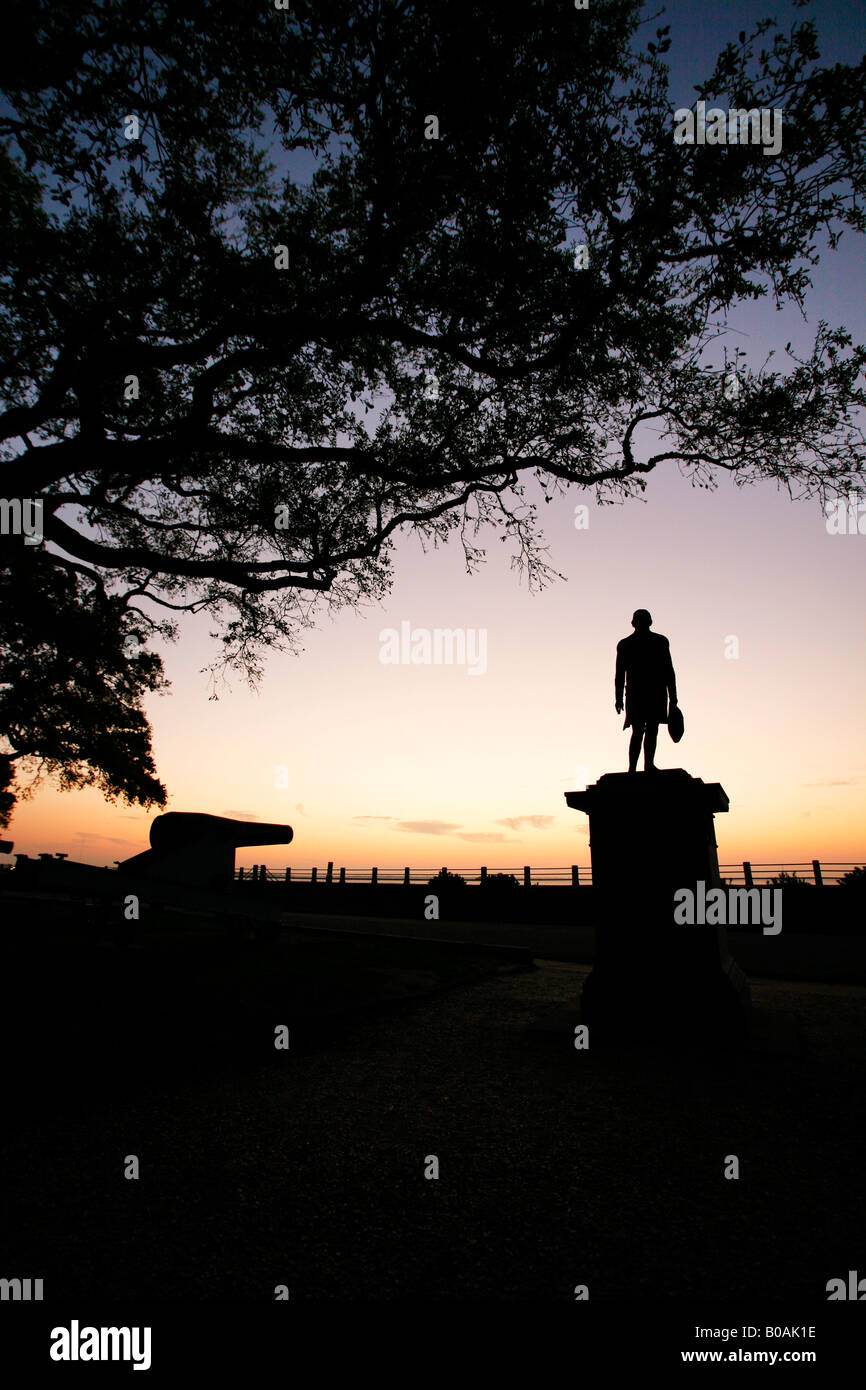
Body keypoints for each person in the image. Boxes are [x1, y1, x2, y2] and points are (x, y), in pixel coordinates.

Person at [614, 610, 678, 773]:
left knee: (650, 729)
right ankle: (635, 768)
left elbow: (668, 670)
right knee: (641, 730)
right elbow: (620, 673)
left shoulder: (660, 641)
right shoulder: (626, 644)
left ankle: (645, 765)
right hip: (640, 692)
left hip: (653, 691)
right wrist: (618, 698)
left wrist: (673, 697)